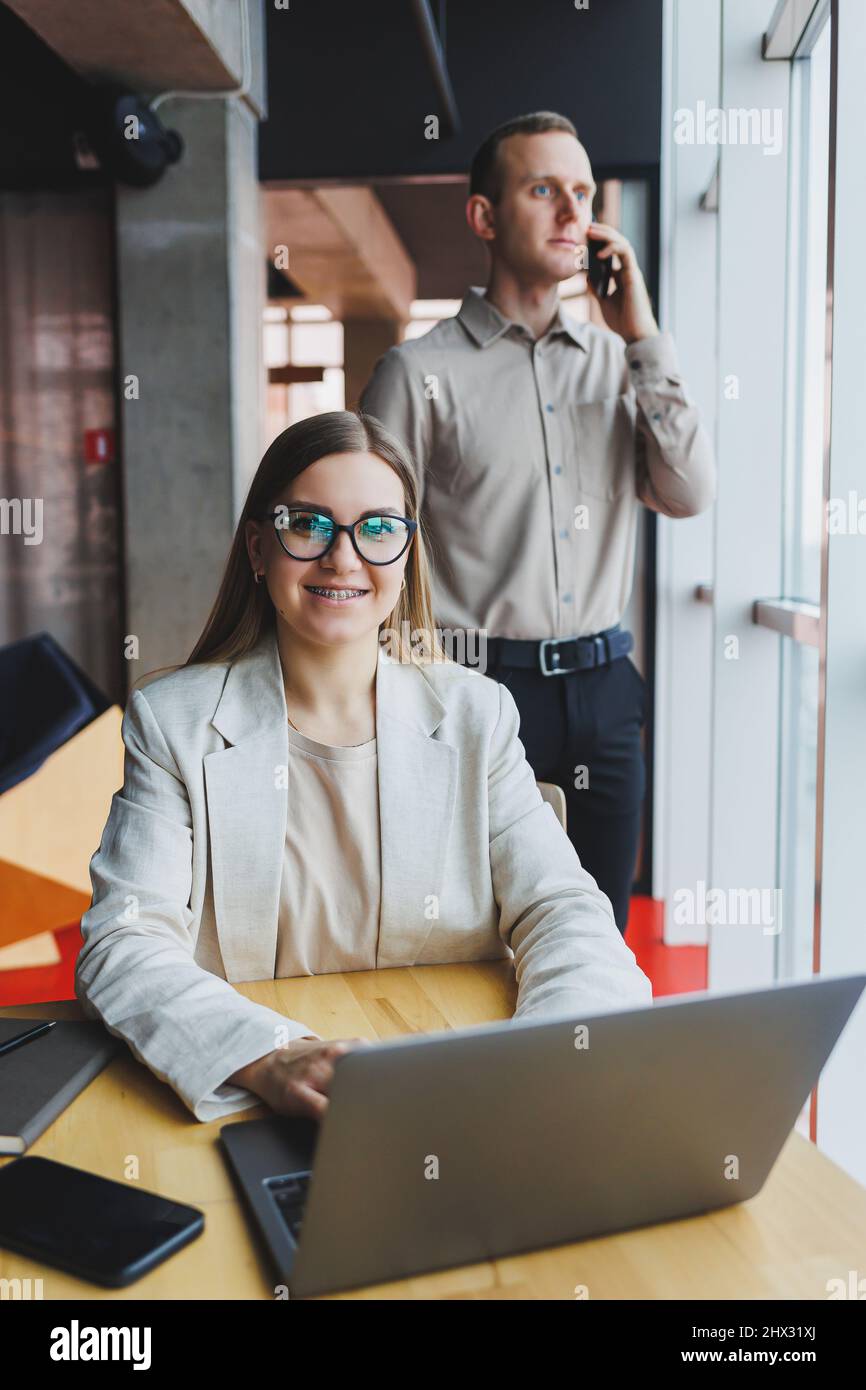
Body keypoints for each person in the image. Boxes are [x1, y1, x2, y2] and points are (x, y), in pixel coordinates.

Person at [74, 410, 652, 1124]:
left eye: (378, 529)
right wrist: (268, 1056)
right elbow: (125, 939)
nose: (342, 558)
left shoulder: (477, 716)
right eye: (307, 525)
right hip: (262, 1103)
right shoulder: (174, 724)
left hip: (456, 1088)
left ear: (406, 554)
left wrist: (543, 1058)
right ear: (259, 548)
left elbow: (564, 910)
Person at [361, 111, 715, 934]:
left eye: (584, 192)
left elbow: (688, 491)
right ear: (485, 217)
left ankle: (590, 1066)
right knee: (474, 935)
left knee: (596, 938)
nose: (572, 213)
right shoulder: (417, 374)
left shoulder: (620, 362)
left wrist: (644, 335)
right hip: (476, 690)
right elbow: (373, 545)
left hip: (605, 692)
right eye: (544, 189)